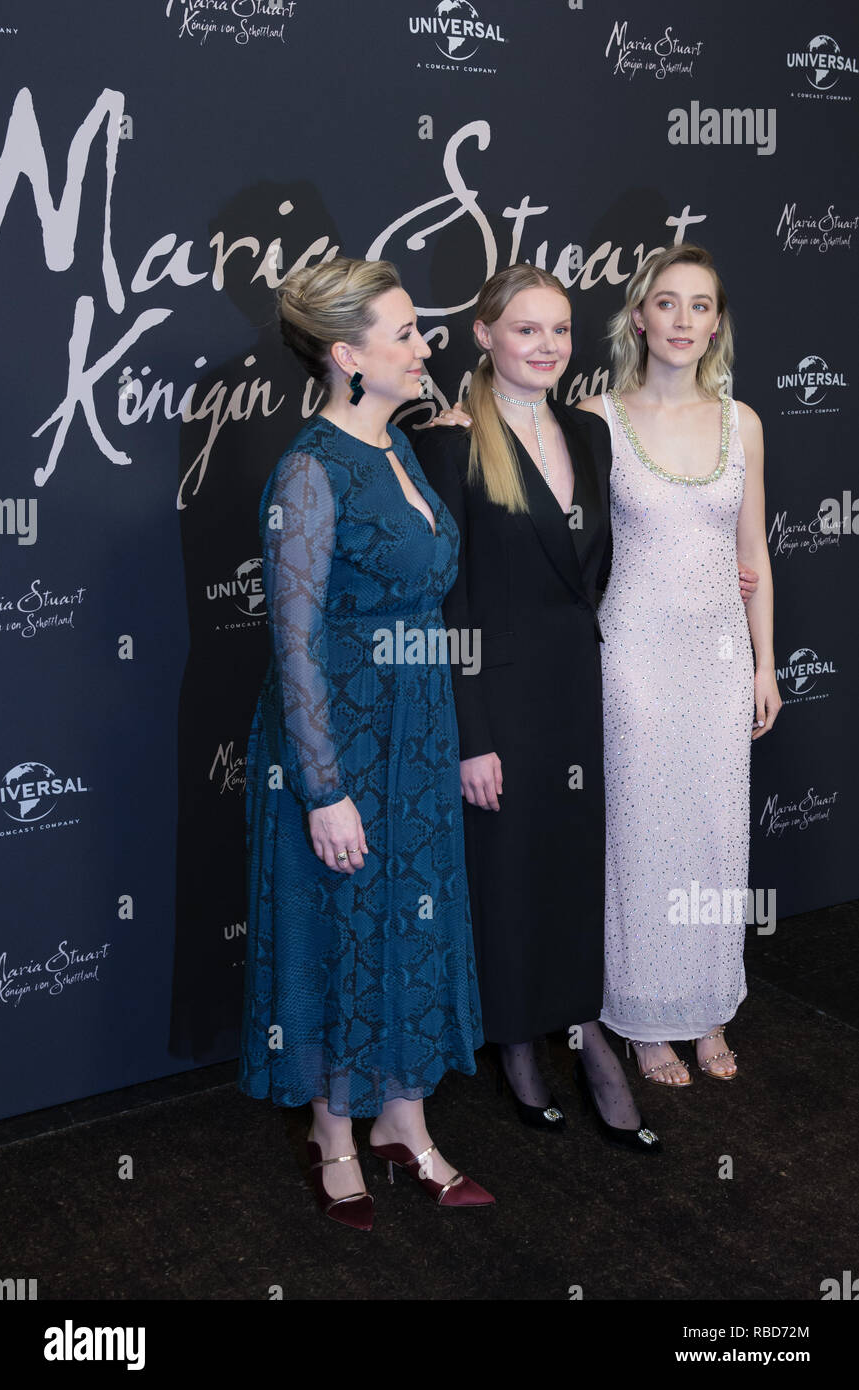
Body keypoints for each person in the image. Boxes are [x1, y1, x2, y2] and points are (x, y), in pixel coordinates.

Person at [237, 257, 493, 1229]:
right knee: (339, 923)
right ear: (346, 356)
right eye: (402, 333)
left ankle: (403, 1119)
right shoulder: (307, 471)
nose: (422, 343)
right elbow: (292, 642)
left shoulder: (397, 449)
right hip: (336, 743)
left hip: (416, 732)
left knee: (407, 920)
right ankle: (333, 1137)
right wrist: (321, 789)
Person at [416, 265, 662, 1152]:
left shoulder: (589, 435)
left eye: (559, 329)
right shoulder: (447, 444)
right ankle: (519, 1042)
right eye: (526, 330)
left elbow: (598, 571)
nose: (548, 346)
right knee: (509, 874)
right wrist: (470, 739)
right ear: (484, 335)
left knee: (569, 868)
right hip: (500, 701)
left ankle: (582, 1027)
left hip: (576, 691)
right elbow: (449, 605)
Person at [577, 244, 781, 1085]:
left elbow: (754, 554)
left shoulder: (745, 422)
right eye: (668, 304)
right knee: (638, 838)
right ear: (639, 317)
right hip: (631, 657)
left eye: (701, 307)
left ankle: (705, 1007)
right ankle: (642, 1016)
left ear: (717, 324)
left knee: (714, 833)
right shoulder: (598, 416)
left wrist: (767, 665)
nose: (684, 321)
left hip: (720, 658)